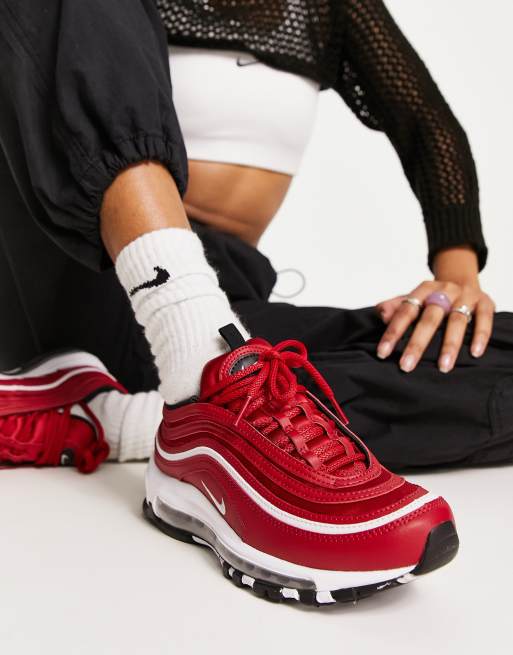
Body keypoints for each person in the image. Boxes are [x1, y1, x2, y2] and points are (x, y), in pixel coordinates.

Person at [0, 0, 510, 604]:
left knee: (491, 349)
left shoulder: (325, 9)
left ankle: (140, 419)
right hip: (93, 266)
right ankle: (197, 373)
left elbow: (426, 121)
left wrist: (457, 280)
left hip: (229, 296)